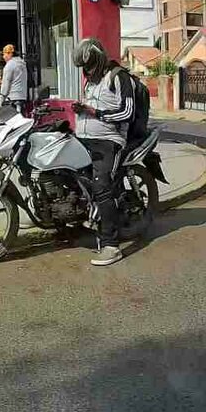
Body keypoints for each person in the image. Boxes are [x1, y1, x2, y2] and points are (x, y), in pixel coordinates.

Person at [70, 37, 135, 268]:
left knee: (102, 188)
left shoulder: (118, 77)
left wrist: (94, 112)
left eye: (88, 66)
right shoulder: (91, 82)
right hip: (85, 139)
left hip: (109, 141)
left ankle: (111, 245)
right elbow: (91, 107)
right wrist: (80, 110)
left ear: (98, 59)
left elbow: (127, 112)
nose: (86, 71)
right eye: (83, 68)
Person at [0, 44, 28, 114]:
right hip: (22, 97)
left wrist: (1, 98)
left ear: (9, 54)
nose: (3, 57)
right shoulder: (23, 64)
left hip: (12, 99)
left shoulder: (9, 65)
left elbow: (6, 84)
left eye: (4, 54)